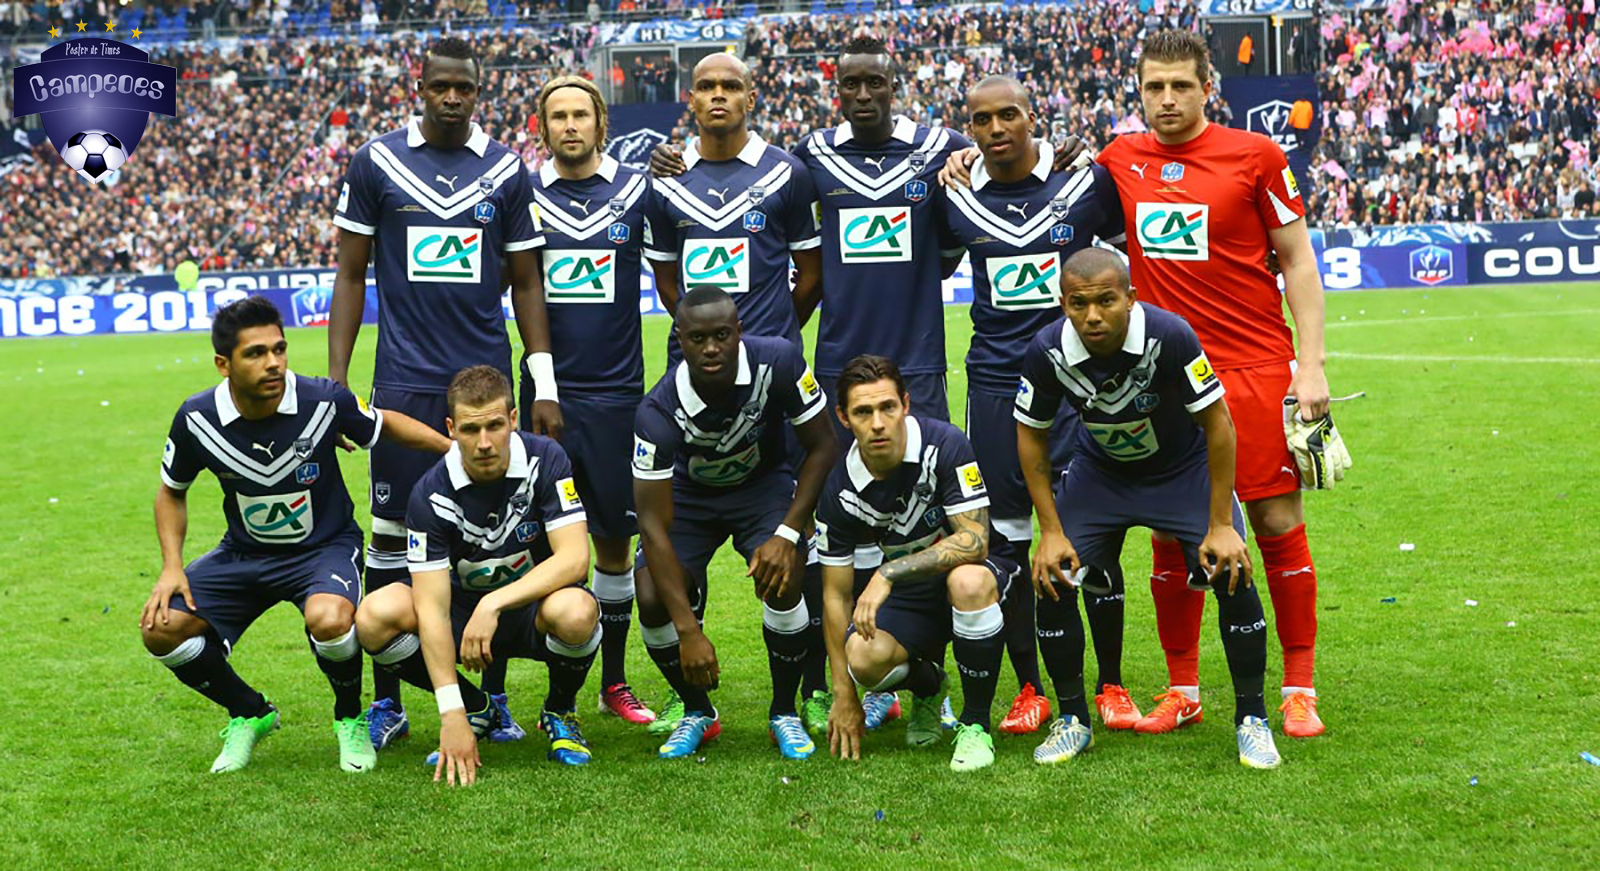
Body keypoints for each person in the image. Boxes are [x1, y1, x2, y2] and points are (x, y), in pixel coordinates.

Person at [1094, 30, 1339, 738]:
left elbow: (1297, 261)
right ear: (1139, 91)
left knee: (1275, 523)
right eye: (1154, 87)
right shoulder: (1120, 159)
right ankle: (1183, 688)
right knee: (1170, 535)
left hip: (1253, 369)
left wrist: (1311, 364)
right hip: (1162, 380)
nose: (1167, 99)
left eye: (1181, 86)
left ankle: (1298, 688)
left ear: (1208, 88)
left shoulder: (1256, 156)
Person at [329, 36, 559, 749]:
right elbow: (350, 274)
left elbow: (527, 281)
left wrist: (542, 377)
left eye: (465, 87)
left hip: (482, 388)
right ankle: (389, 701)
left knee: (493, 538)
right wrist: (337, 384)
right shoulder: (376, 162)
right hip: (402, 382)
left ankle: (492, 700)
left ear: (478, 91)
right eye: (441, 86)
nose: (453, 98)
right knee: (391, 539)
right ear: (420, 87)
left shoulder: (506, 170)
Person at [139, 296, 450, 774]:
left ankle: (349, 718)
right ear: (223, 364)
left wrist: (451, 449)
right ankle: (249, 711)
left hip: (324, 549)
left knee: (330, 617)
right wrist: (171, 567)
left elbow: (384, 425)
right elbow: (171, 492)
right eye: (255, 353)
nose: (273, 363)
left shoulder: (322, 400)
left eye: (279, 349)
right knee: (160, 627)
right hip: (244, 554)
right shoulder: (196, 419)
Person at [1013, 248, 1281, 769]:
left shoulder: (1170, 334)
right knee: (1053, 574)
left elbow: (1219, 423)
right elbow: (1030, 434)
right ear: (1063, 304)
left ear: (1131, 299)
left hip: (1181, 471)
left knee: (1231, 568)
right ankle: (1073, 720)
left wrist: (1220, 523)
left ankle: (1252, 719)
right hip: (1101, 475)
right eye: (1079, 304)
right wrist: (1049, 530)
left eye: (1106, 301)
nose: (1093, 316)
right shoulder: (1046, 350)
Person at [935, 75, 1135, 736]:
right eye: (981, 120)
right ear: (969, 127)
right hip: (997, 386)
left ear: (1033, 116)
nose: (996, 129)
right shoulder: (955, 196)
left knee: (1090, 533)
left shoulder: (1085, 182)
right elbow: (932, 264)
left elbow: (1129, 254)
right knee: (1010, 540)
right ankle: (1030, 687)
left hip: (1081, 385)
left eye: (1009, 115)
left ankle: (1111, 682)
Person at [354, 366, 600, 786]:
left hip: (531, 610)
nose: (484, 443)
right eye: (470, 429)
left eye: (494, 426)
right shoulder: (429, 494)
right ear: (451, 429)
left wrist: (494, 603)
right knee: (374, 616)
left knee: (577, 610)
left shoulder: (547, 459)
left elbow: (575, 559)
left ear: (513, 420)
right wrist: (450, 713)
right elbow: (431, 608)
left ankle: (560, 710)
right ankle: (476, 708)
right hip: (463, 617)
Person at [631, 288, 838, 760]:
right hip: (689, 498)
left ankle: (783, 712)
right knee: (652, 595)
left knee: (785, 575)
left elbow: (823, 445)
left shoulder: (779, 361)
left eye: (722, 335)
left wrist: (787, 533)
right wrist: (689, 632)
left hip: (762, 488)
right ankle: (697, 711)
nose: (711, 348)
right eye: (698, 338)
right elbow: (652, 524)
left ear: (739, 332)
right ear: (679, 340)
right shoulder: (657, 412)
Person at [526, 74, 655, 726]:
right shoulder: (522, 193)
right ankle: (527, 696)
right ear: (542, 127)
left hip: (616, 395)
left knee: (612, 544)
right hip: (544, 397)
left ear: (601, 123)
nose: (570, 125)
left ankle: (614, 682)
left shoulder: (638, 190)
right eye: (559, 116)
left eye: (581, 114)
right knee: (532, 545)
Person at [819, 354, 1020, 773]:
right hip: (913, 594)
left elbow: (975, 541)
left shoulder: (944, 443)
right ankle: (929, 686)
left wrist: (888, 572)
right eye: (863, 412)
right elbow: (835, 596)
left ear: (905, 405)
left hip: (983, 576)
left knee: (966, 580)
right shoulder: (840, 489)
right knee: (863, 657)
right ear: (843, 418)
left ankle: (975, 725)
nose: (878, 423)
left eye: (887, 407)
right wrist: (845, 693)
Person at [641, 53, 823, 359]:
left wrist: (778, 331)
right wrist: (701, 337)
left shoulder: (788, 173)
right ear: (691, 100)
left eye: (731, 86)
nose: (718, 95)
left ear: (750, 100)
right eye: (706, 87)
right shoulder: (665, 181)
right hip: (693, 365)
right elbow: (666, 282)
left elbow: (813, 275)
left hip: (769, 361)